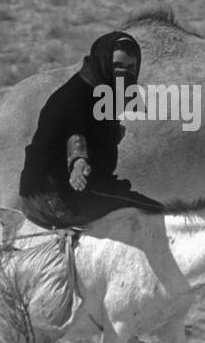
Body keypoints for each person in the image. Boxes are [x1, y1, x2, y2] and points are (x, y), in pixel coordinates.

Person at [19, 31, 162, 228]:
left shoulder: (99, 89)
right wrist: (78, 162)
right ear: (103, 62)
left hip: (63, 189)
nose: (125, 73)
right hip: (56, 194)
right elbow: (74, 131)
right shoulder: (77, 95)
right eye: (117, 66)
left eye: (130, 67)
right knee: (152, 211)